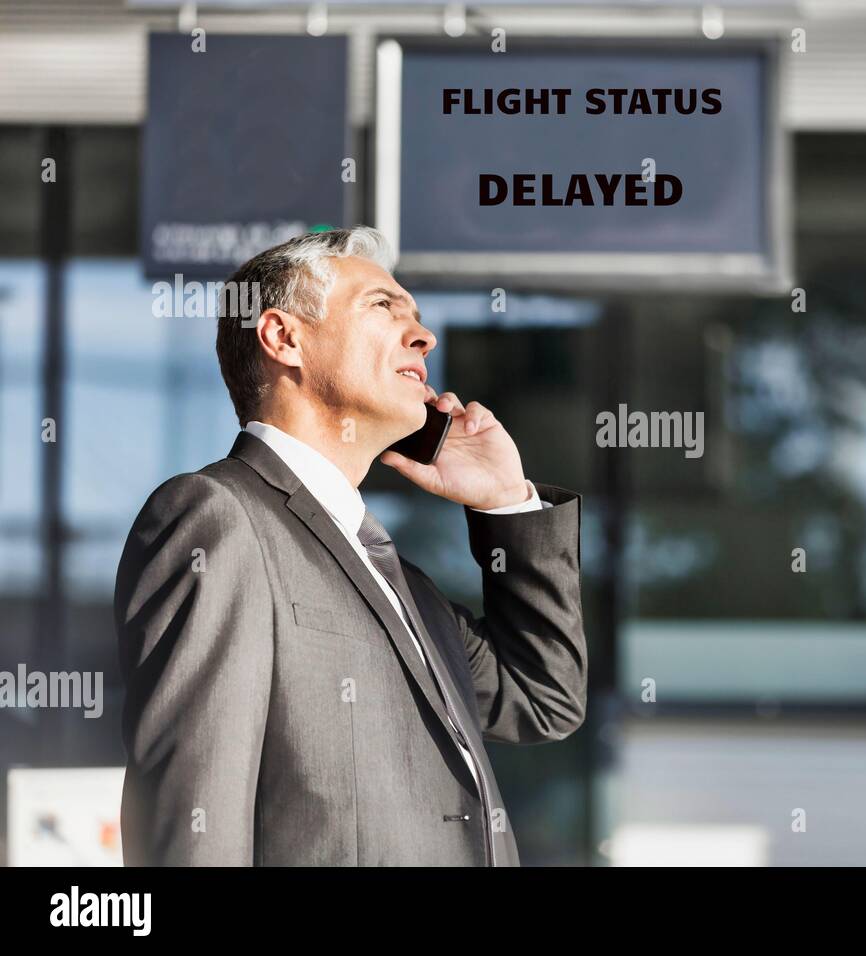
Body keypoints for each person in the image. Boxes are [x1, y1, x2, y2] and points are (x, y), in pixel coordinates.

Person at [113, 227, 586, 865]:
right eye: (383, 307)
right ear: (284, 338)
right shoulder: (218, 518)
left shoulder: (399, 581)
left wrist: (507, 501)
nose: (424, 336)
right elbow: (195, 818)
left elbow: (543, 698)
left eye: (416, 316)